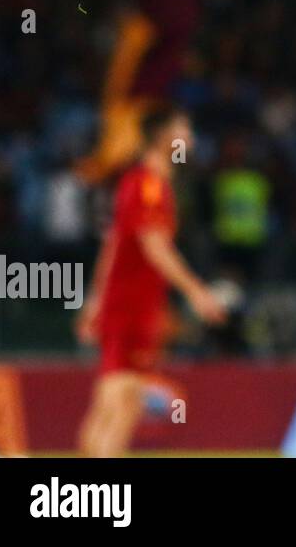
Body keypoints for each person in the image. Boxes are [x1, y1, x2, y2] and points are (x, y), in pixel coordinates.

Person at [76, 103, 227, 457]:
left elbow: (113, 244)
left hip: (125, 303)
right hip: (132, 306)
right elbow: (154, 246)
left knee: (110, 402)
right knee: (123, 404)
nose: (189, 139)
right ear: (164, 137)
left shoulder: (136, 182)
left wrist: (96, 300)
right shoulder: (149, 185)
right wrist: (196, 291)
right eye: (184, 130)